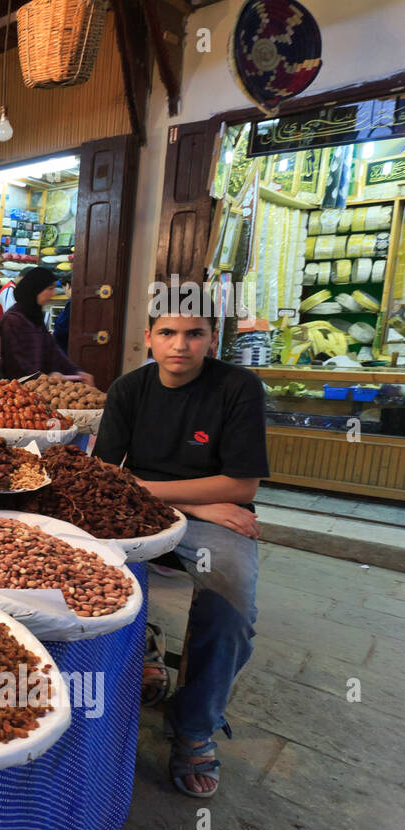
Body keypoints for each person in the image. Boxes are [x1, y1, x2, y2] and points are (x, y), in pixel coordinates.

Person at [93, 311, 270, 798]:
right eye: (167, 333)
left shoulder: (239, 388)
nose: (180, 346)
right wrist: (196, 501)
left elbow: (242, 484)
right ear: (148, 337)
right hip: (148, 508)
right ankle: (139, 650)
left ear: (212, 339)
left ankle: (194, 726)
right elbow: (105, 480)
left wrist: (200, 505)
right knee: (88, 569)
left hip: (217, 520)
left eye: (194, 334)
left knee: (230, 597)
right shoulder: (129, 389)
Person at [0, 266, 95, 386]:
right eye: (49, 289)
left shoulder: (35, 317)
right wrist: (44, 377)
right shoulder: (12, 320)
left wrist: (77, 372)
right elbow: (15, 363)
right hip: (16, 393)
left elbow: (53, 351)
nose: (53, 294)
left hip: (38, 387)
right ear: (35, 289)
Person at [52, 278, 72, 352]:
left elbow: (62, 328)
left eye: (63, 288)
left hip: (65, 347)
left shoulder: (71, 303)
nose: (64, 291)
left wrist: (54, 334)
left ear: (67, 286)